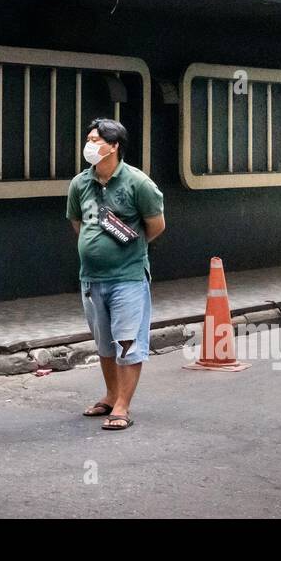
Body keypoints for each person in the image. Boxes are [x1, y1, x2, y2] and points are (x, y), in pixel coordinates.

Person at [66, 118, 166, 431]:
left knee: (127, 342)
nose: (90, 145)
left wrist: (127, 251)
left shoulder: (138, 183)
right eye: (88, 139)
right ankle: (110, 395)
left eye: (96, 140)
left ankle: (123, 405)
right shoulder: (80, 183)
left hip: (128, 278)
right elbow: (77, 222)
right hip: (91, 278)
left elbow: (156, 225)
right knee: (105, 343)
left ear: (115, 146)